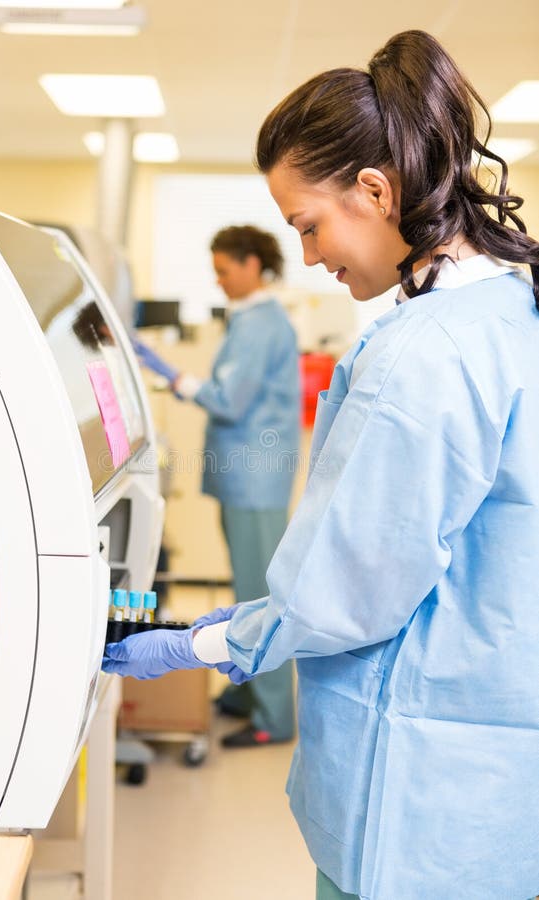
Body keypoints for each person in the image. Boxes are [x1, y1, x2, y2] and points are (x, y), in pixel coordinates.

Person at [103, 29, 539, 900]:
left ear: (374, 191)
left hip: (414, 800)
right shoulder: (508, 309)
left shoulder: (425, 353)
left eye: (309, 225)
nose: (308, 255)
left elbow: (347, 588)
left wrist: (199, 640)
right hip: (490, 796)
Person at [134, 225, 300, 748]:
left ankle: (274, 716)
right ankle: (245, 693)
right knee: (245, 590)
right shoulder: (250, 320)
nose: (220, 281)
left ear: (252, 265)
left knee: (259, 598)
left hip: (256, 481)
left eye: (224, 271)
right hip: (245, 477)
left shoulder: (263, 323)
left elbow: (229, 400)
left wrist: (173, 377)